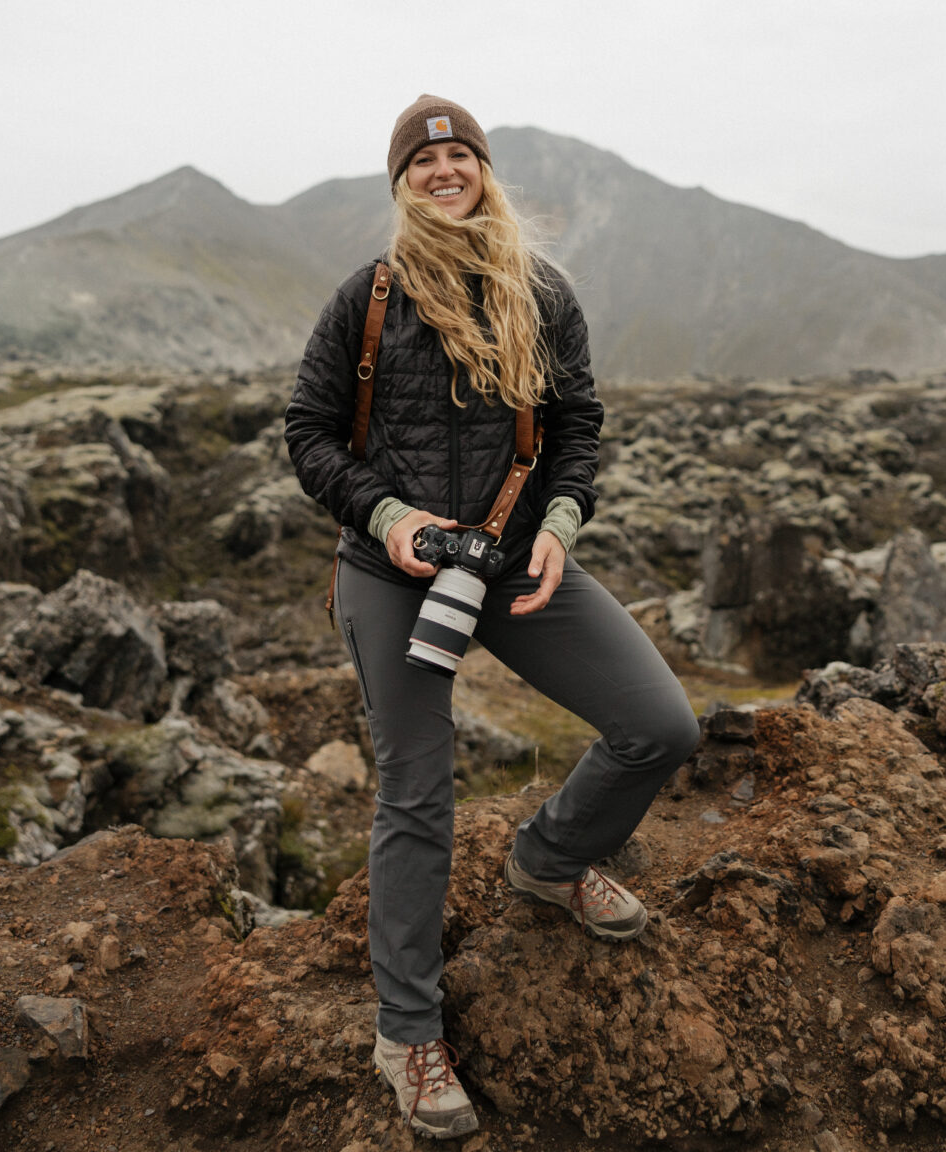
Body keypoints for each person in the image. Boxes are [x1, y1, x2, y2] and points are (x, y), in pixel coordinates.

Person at [284, 96, 700, 1139]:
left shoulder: (539, 293)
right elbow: (306, 431)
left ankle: (548, 861)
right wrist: (385, 517)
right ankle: (406, 1034)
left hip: (511, 556)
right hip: (391, 569)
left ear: (482, 170)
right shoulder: (369, 298)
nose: (444, 171)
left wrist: (561, 519)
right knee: (417, 794)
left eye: (461, 154)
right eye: (423, 161)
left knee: (659, 724)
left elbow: (577, 426)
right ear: (400, 183)